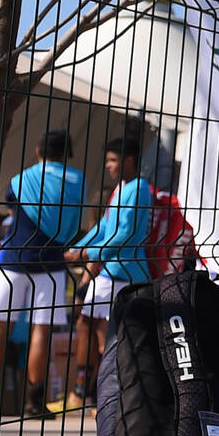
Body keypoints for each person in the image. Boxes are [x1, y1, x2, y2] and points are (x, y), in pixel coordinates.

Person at [0, 130, 86, 418]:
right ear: (66, 154)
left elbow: (10, 204)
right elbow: (75, 222)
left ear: (39, 151)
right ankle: (34, 403)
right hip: (51, 264)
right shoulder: (78, 180)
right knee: (42, 331)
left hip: (13, 260)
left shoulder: (20, 179)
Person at [62, 136, 152, 407]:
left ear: (129, 161)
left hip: (123, 274)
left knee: (106, 335)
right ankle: (89, 391)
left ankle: (106, 394)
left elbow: (123, 233)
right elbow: (104, 226)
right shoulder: (123, 188)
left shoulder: (137, 189)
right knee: (90, 326)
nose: (108, 165)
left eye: (113, 160)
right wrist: (77, 249)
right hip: (112, 272)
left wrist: (87, 253)